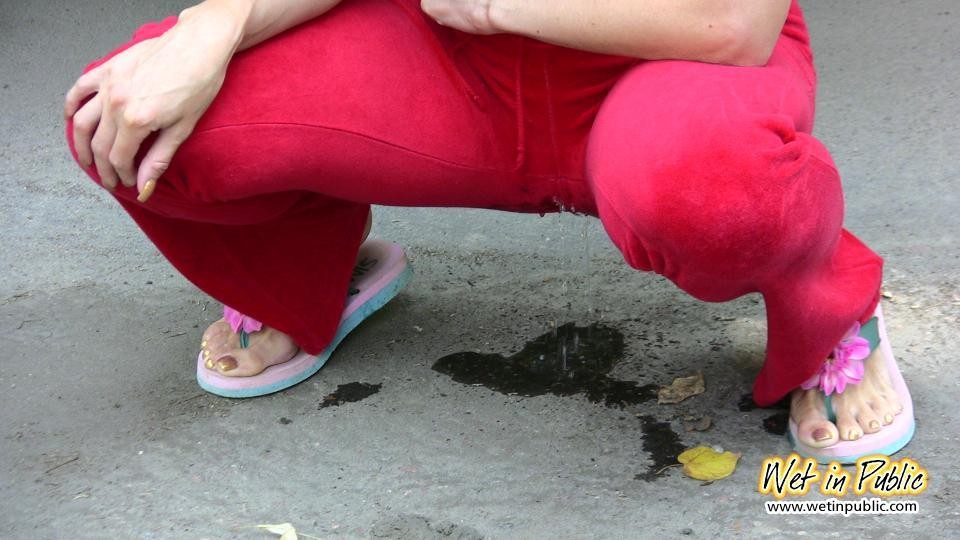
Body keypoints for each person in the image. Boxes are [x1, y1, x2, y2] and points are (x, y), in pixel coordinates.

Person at [63, 0, 914, 462]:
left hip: (667, 51)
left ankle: (825, 304)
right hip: (444, 59)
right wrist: (213, 27)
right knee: (130, 119)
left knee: (712, 196)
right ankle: (307, 273)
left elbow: (734, 23)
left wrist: (502, 5)